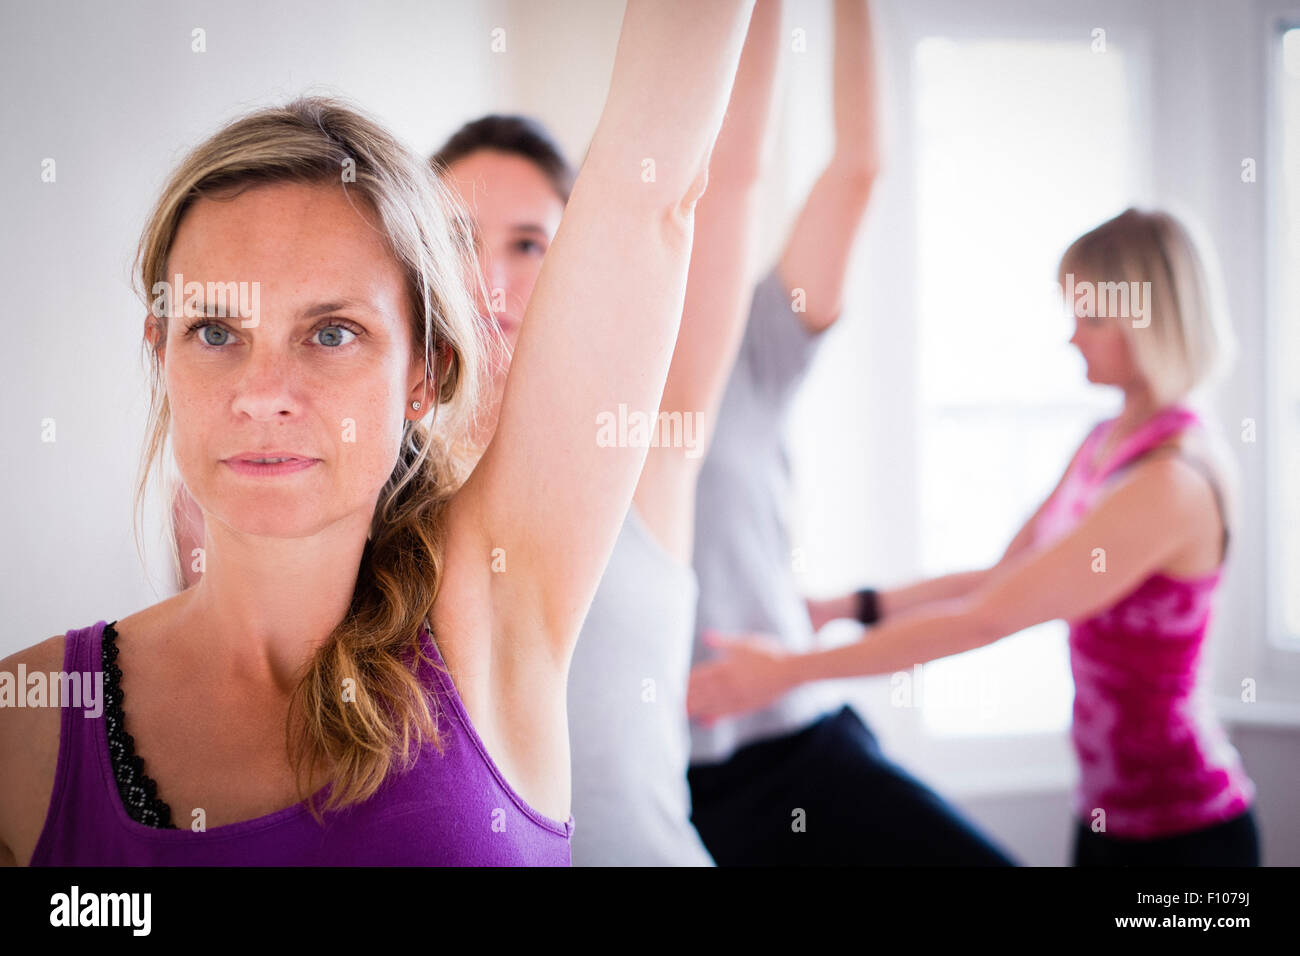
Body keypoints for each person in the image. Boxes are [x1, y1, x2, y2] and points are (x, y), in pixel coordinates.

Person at [0, 0, 758, 866]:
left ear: (424, 372)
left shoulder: (491, 611)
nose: (264, 394)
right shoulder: (28, 726)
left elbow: (652, 193)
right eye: (215, 332)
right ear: (161, 353)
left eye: (331, 333)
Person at [688, 207, 1260, 867]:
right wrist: (840, 609)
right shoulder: (1105, 443)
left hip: (1188, 836)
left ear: (1151, 325)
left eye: (1093, 319)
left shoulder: (1173, 482)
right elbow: (998, 580)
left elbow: (988, 619)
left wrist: (788, 671)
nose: (1072, 338)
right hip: (1107, 820)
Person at [429, 0, 785, 865]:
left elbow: (718, 178)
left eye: (528, 244)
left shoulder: (648, 442)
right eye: (458, 239)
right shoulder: (373, 484)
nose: (489, 278)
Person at [684, 0, 1018, 866]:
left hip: (791, 741)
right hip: (649, 784)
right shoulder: (547, 383)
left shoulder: (746, 342)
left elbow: (857, 165)